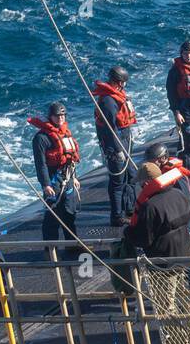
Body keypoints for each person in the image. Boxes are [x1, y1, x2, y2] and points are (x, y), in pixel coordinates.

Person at [29, 101, 81, 248]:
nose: (60, 119)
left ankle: (73, 245)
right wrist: (45, 184)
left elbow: (70, 159)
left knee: (69, 213)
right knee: (53, 215)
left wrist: (74, 177)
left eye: (63, 116)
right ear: (50, 117)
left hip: (68, 177)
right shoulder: (41, 138)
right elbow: (41, 164)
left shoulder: (65, 133)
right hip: (53, 180)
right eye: (57, 116)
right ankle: (50, 248)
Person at [93, 65, 138, 227]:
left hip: (125, 140)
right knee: (118, 181)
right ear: (119, 82)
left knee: (131, 175)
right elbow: (110, 128)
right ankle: (117, 216)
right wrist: (118, 150)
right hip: (116, 145)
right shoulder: (107, 101)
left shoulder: (117, 96)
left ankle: (130, 207)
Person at [124, 161, 190, 259]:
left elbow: (144, 239)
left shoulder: (150, 206)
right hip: (186, 253)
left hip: (162, 263)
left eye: (140, 183)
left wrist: (127, 232)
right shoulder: (178, 193)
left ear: (147, 183)